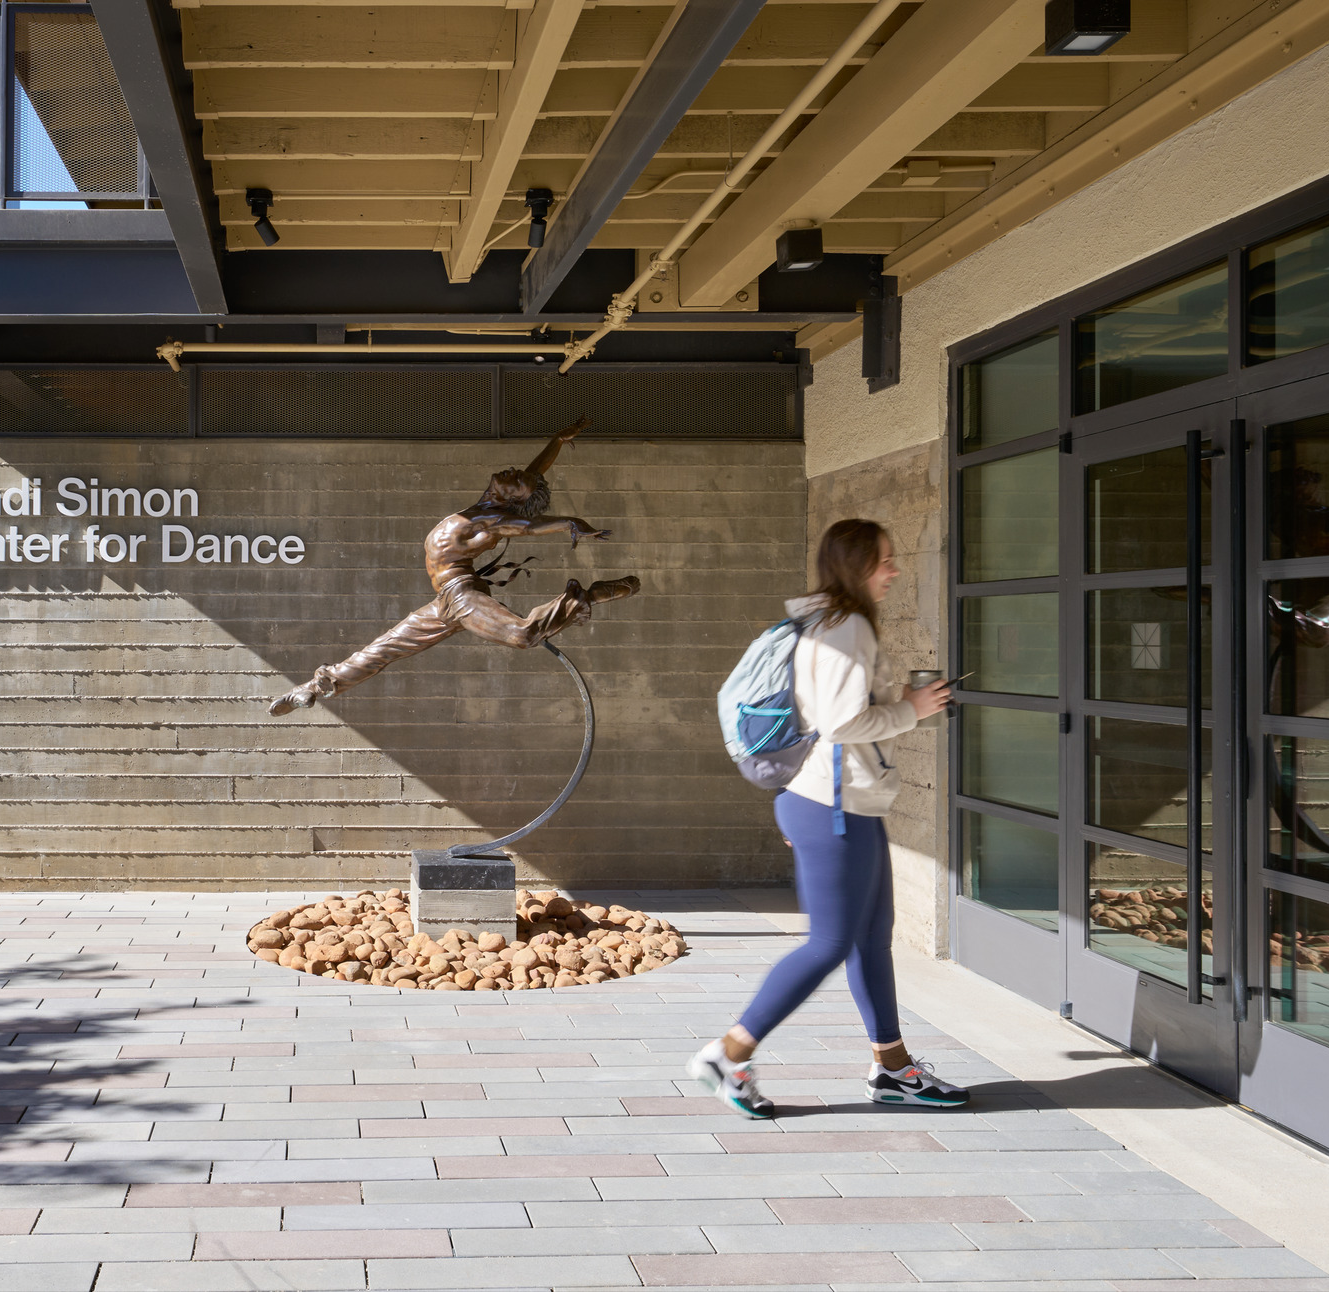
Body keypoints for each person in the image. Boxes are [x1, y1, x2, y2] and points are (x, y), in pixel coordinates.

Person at [688, 519, 963, 1117]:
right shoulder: (848, 627)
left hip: (841, 804)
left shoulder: (824, 621)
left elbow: (832, 712)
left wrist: (903, 704)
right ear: (858, 566)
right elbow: (839, 724)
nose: (894, 570)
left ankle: (893, 1069)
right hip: (832, 807)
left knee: (870, 938)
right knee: (831, 943)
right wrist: (911, 710)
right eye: (885, 561)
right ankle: (729, 1052)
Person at [268, 417, 640, 715]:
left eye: (516, 480)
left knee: (524, 635)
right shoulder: (489, 503)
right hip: (446, 601)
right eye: (515, 474)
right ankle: (315, 687)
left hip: (463, 596)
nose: (511, 472)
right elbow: (532, 475)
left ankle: (584, 597)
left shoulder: (493, 521)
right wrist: (556, 441)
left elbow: (528, 525)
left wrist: (568, 523)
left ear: (514, 497)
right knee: (387, 647)